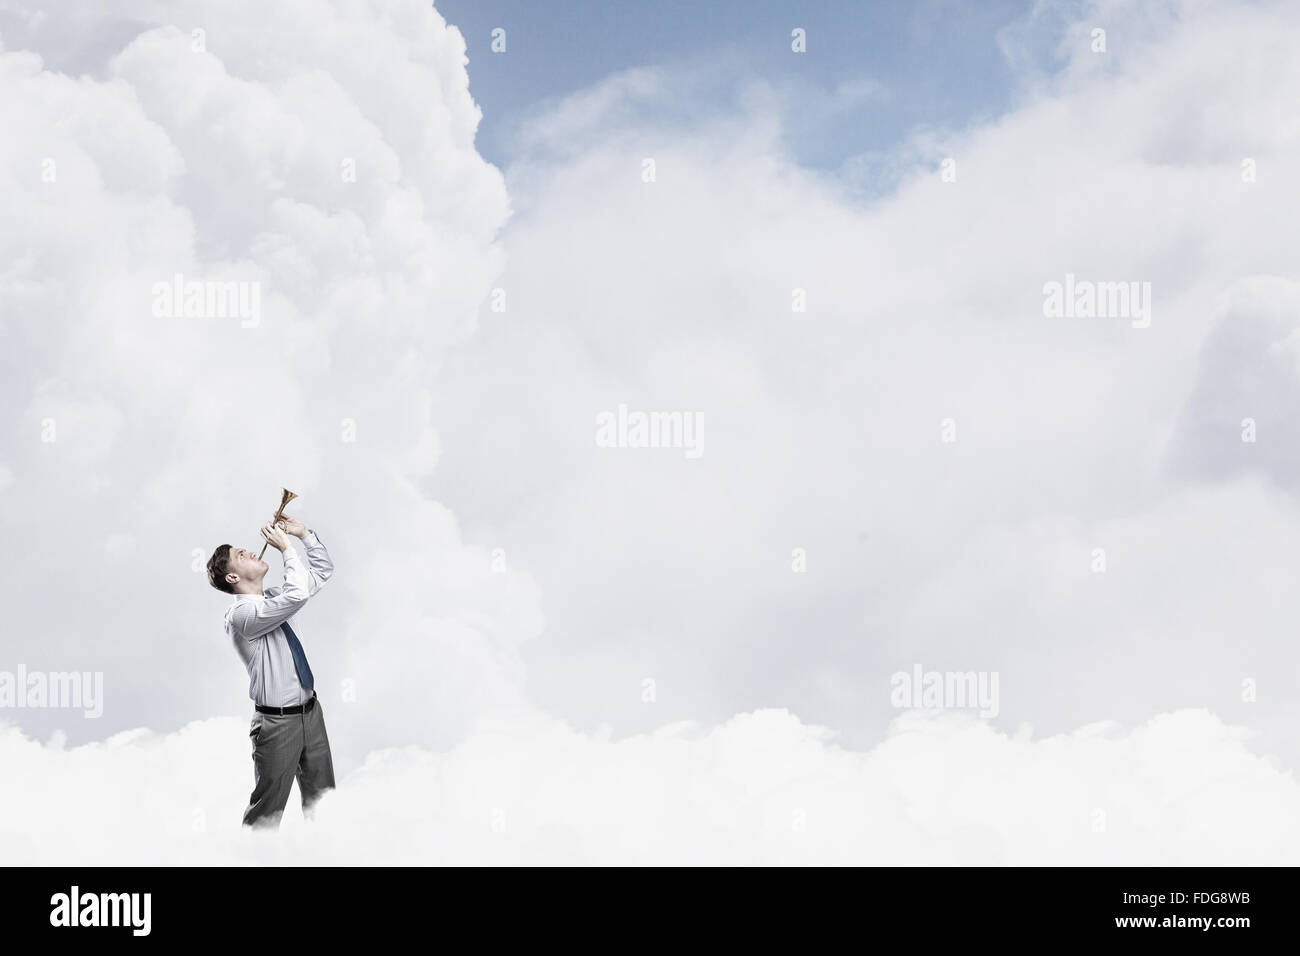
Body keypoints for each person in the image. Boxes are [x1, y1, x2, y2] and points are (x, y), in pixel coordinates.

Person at [205, 513, 336, 828]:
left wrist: (304, 535)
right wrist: (286, 549)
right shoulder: (240, 615)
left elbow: (323, 571)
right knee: (267, 814)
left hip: (311, 712)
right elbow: (298, 595)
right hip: (277, 724)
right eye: (241, 555)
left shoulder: (276, 597)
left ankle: (326, 852)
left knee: (324, 803)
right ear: (232, 577)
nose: (251, 551)